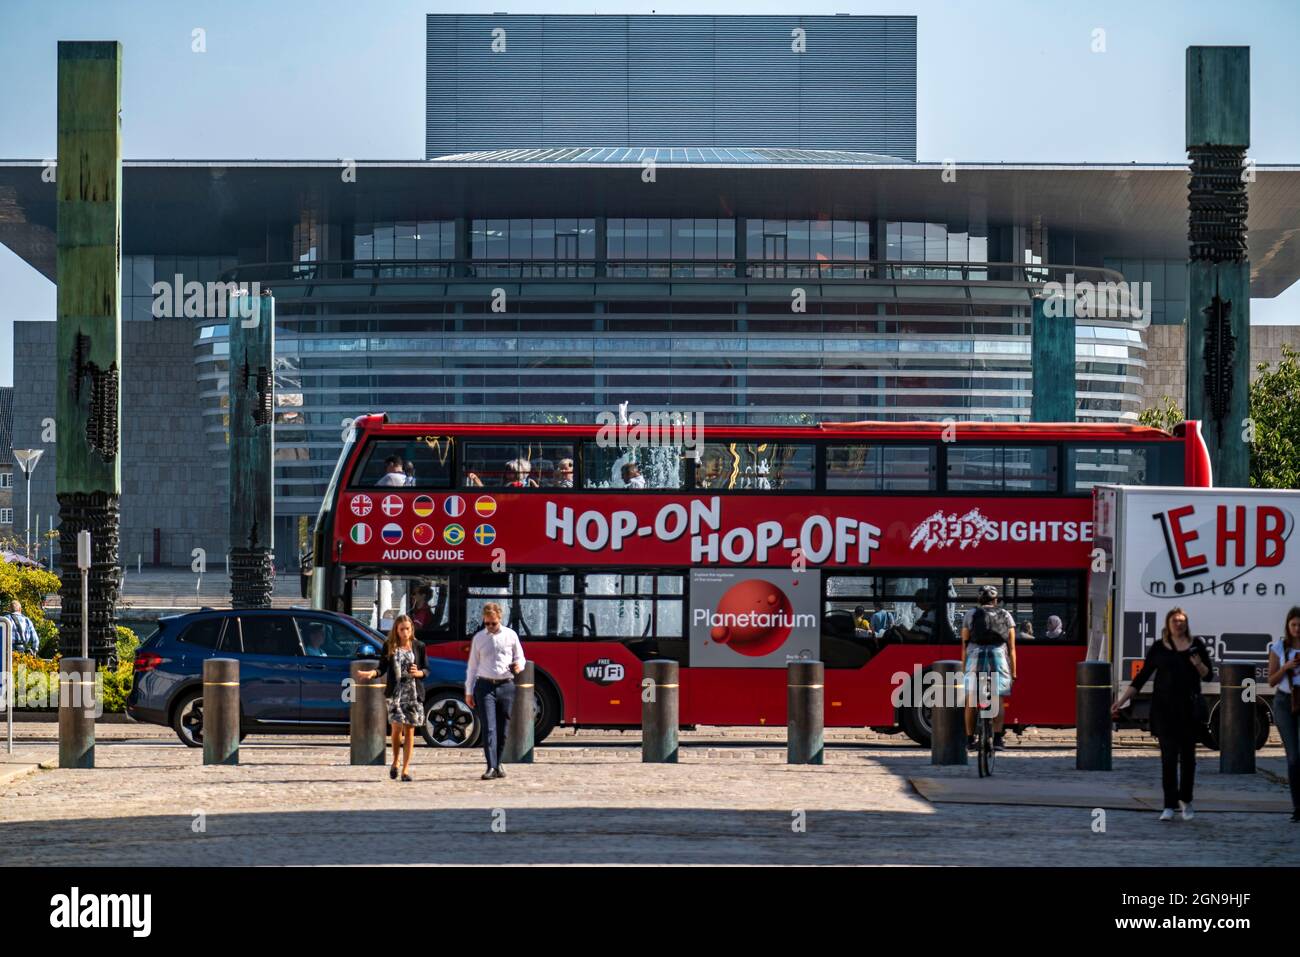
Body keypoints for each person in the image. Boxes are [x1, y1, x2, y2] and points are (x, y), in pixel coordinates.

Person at [1111, 607, 1212, 821]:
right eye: (1175, 621)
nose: (1179, 624)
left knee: (1188, 758)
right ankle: (1168, 804)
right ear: (1168, 623)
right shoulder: (1159, 648)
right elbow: (1142, 677)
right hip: (1165, 709)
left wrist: (1198, 664)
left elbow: (1208, 676)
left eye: (1182, 620)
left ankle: (1186, 799)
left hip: (1189, 710)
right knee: (1168, 758)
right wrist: (1121, 701)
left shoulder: (1196, 646)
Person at [356, 614, 427, 782]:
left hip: (413, 692)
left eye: (408, 629)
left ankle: (406, 769)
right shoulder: (389, 646)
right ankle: (395, 761)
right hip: (396, 693)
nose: (405, 632)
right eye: (401, 629)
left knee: (410, 731)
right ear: (396, 630)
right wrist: (371, 673)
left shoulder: (419, 646)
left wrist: (419, 673)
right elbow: (382, 668)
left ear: (412, 629)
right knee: (396, 729)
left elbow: (427, 669)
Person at [465, 602, 526, 780]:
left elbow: (520, 657)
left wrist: (519, 666)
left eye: (493, 623)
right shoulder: (479, 638)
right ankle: (491, 766)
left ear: (500, 619)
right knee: (489, 728)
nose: (490, 627)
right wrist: (469, 691)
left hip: (506, 685)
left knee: (503, 728)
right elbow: (472, 667)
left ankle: (498, 763)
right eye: (487, 623)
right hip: (485, 686)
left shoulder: (511, 635)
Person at [961, 585, 1017, 751]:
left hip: (975, 655)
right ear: (996, 600)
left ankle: (969, 739)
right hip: (998, 656)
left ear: (979, 600)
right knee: (997, 698)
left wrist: (964, 668)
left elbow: (964, 644)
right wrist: (1013, 672)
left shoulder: (970, 614)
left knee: (971, 699)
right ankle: (998, 739)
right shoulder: (1006, 615)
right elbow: (1012, 647)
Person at [1267, 606, 1300, 822]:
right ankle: (1298, 806)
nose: (1297, 629)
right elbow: (1271, 681)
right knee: (1294, 758)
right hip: (1284, 701)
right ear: (1288, 626)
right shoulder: (1279, 647)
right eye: (1294, 625)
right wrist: (1286, 666)